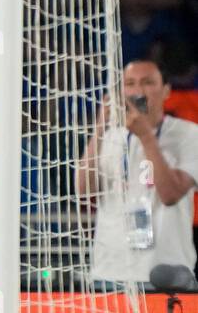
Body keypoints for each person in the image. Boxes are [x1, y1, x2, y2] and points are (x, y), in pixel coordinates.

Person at [77, 59, 198, 286]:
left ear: (166, 91)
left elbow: (170, 194)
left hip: (165, 275)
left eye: (147, 82)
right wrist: (100, 127)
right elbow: (83, 191)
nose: (138, 91)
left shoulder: (190, 135)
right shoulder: (110, 136)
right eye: (130, 83)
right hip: (109, 273)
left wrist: (146, 136)